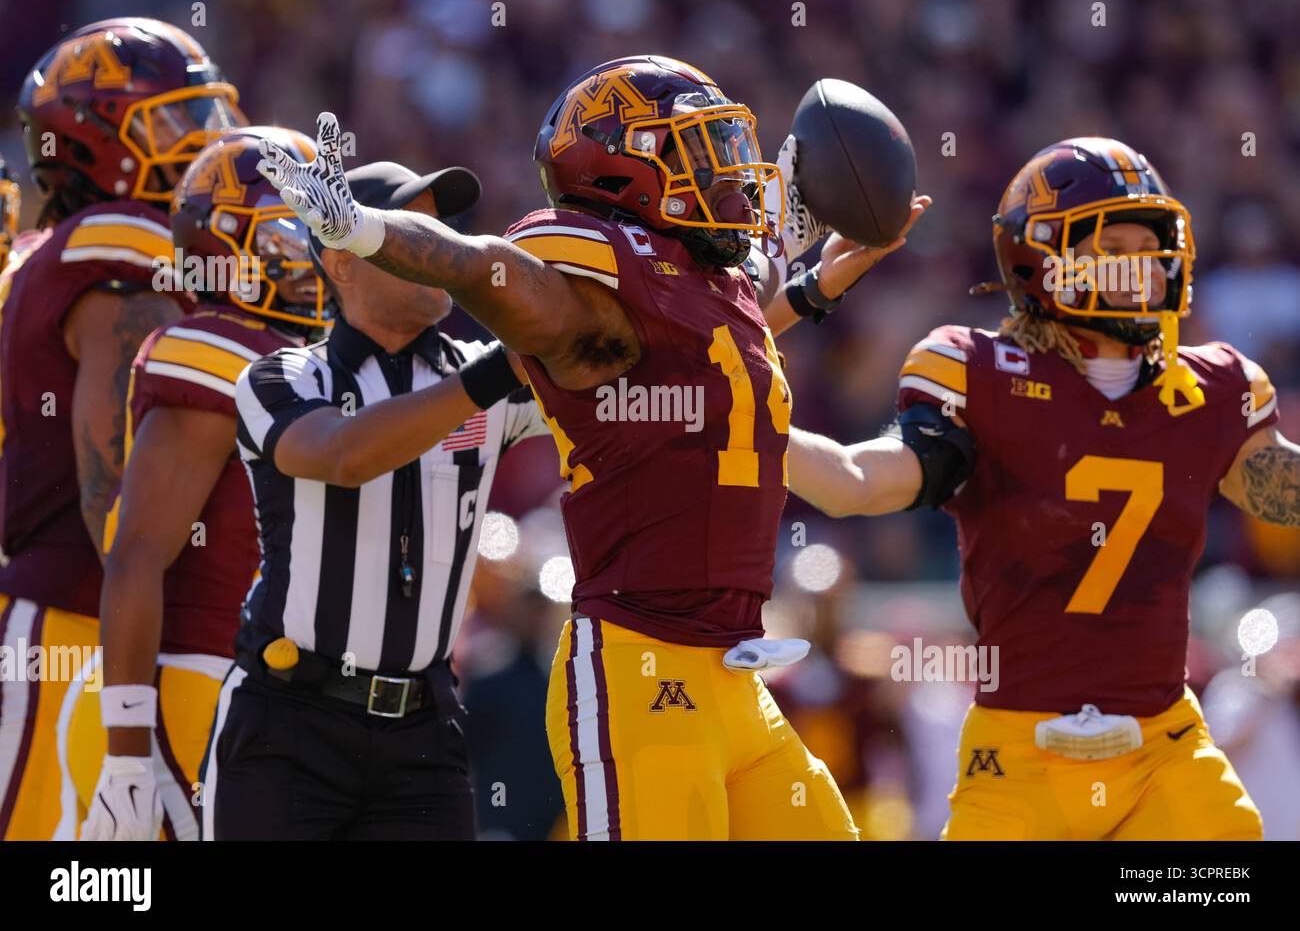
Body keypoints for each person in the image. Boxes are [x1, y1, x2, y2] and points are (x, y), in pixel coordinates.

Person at [256, 55, 921, 840]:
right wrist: (363, 229)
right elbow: (485, 267)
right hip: (641, 668)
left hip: (737, 675)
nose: (729, 170)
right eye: (696, 150)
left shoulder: (710, 282)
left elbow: (713, 350)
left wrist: (809, 280)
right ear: (622, 173)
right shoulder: (591, 276)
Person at [786, 137, 1298, 840]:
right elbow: (857, 483)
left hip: (1165, 752)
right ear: (1041, 258)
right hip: (1020, 759)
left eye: (1149, 242)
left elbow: (1284, 488)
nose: (1141, 261)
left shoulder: (1207, 387)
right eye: (1111, 240)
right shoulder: (980, 373)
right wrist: (753, 425)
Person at [202, 160, 550, 839]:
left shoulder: (484, 375)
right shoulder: (283, 375)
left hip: (423, 734)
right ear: (342, 258)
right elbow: (344, 455)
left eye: (441, 227)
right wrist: (498, 371)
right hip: (288, 723)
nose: (439, 245)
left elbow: (659, 360)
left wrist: (801, 291)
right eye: (409, 229)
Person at [0, 17, 244, 840]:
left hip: (115, 630)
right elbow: (118, 511)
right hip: (74, 625)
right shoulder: (122, 245)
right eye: (175, 121)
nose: (207, 140)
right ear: (93, 141)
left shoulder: (78, 247)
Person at [54, 127, 330, 840]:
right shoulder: (216, 352)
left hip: (259, 701)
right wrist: (125, 757)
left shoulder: (301, 356)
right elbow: (138, 551)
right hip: (186, 689)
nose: (318, 259)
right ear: (233, 250)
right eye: (297, 239)